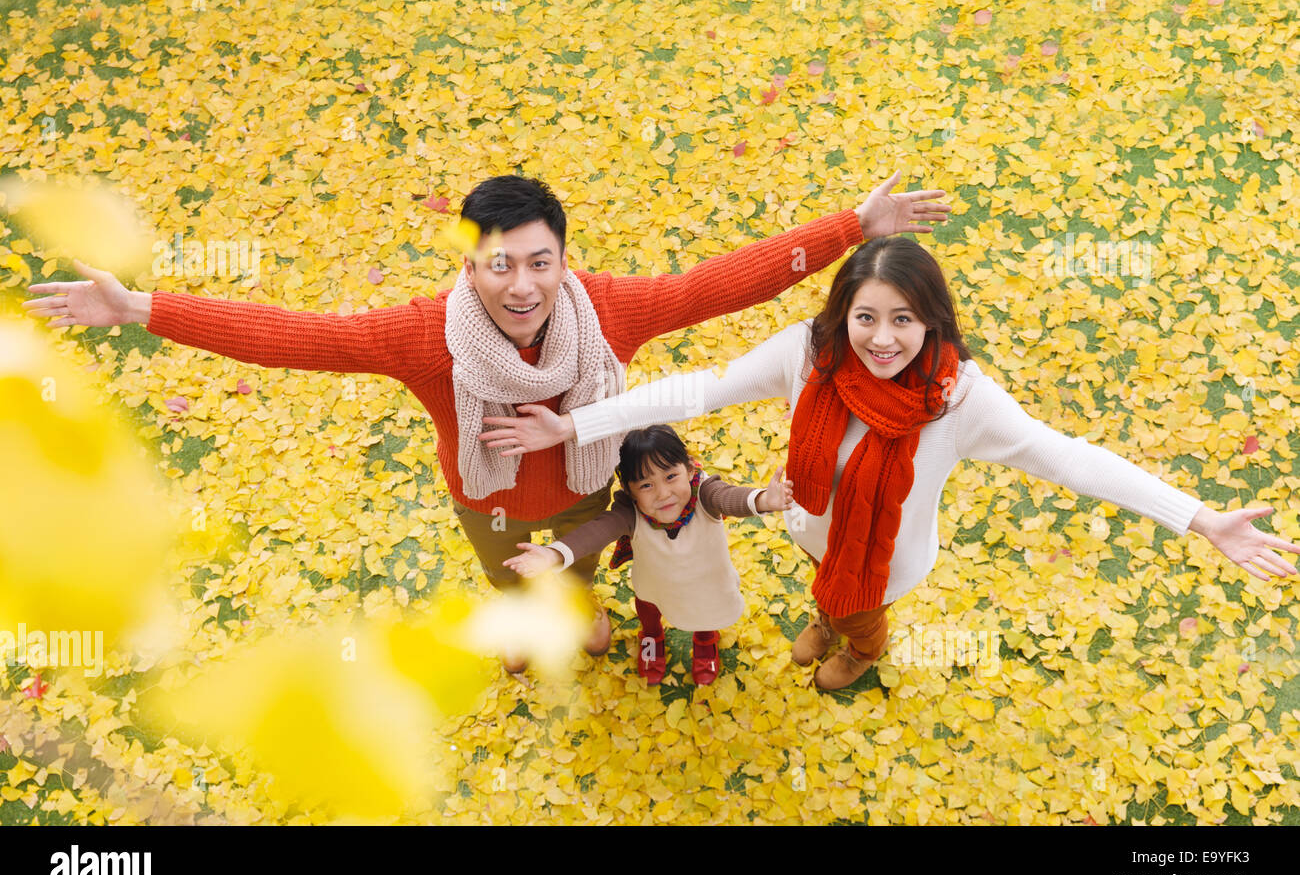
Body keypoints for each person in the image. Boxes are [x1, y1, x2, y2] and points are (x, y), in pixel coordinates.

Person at [23, 173, 951, 674]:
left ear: (562, 263)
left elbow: (711, 286)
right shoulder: (428, 338)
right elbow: (298, 338)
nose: (522, 285)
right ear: (470, 268)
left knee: (583, 569)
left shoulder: (609, 314)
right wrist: (142, 309)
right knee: (520, 588)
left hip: (589, 485)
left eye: (540, 264)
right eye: (500, 266)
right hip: (493, 504)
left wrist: (849, 228)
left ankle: (581, 613)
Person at [477, 236, 1300, 689]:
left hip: (888, 563)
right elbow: (702, 389)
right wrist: (574, 425)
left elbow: (1072, 461)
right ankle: (825, 616)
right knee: (821, 581)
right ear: (843, 314)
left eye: (903, 321)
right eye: (867, 316)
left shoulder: (959, 399)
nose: (882, 339)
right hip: (808, 528)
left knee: (860, 617)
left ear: (931, 323)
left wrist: (1199, 519)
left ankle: (854, 647)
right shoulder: (808, 354)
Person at [504, 425, 795, 685]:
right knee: (649, 610)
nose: (663, 493)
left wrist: (762, 500)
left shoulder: (705, 493)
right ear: (629, 492)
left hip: (706, 582)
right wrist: (554, 554)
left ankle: (705, 640)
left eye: (671, 476)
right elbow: (599, 530)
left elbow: (729, 498)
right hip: (654, 584)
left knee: (707, 611)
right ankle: (652, 638)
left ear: (690, 470)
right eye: (646, 485)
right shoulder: (631, 513)